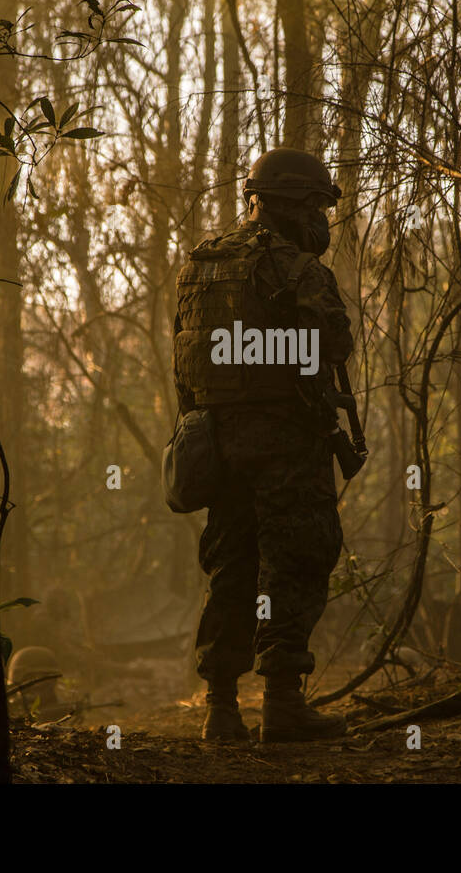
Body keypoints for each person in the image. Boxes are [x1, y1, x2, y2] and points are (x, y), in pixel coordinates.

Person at [172, 147, 354, 742]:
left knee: (230, 566)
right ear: (293, 205)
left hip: (217, 440)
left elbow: (185, 359)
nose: (322, 221)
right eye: (319, 206)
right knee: (295, 560)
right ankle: (282, 704)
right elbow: (334, 346)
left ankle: (220, 710)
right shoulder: (299, 270)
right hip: (286, 444)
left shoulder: (201, 263)